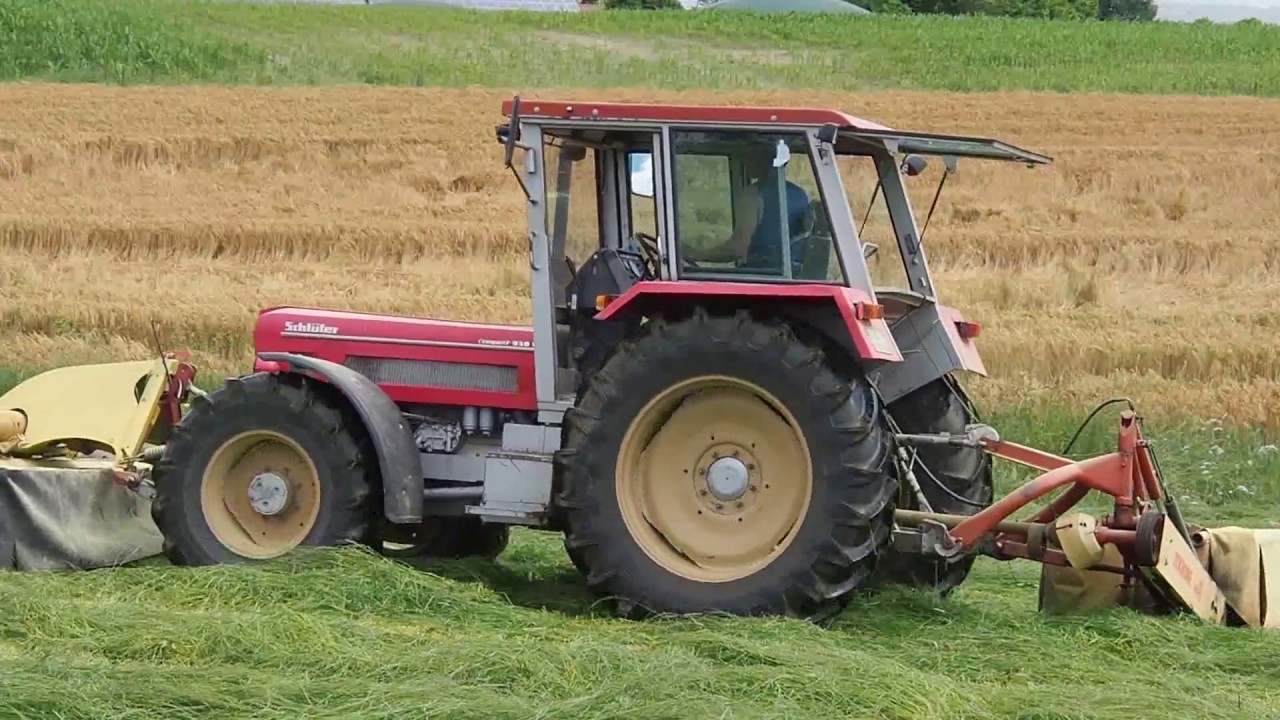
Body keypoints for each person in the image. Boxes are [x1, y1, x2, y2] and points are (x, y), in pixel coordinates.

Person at [695, 143, 812, 270]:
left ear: (759, 158)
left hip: (761, 275)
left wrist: (697, 254)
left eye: (748, 154)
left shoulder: (752, 195)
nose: (745, 159)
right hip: (793, 277)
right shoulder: (801, 195)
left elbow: (737, 248)